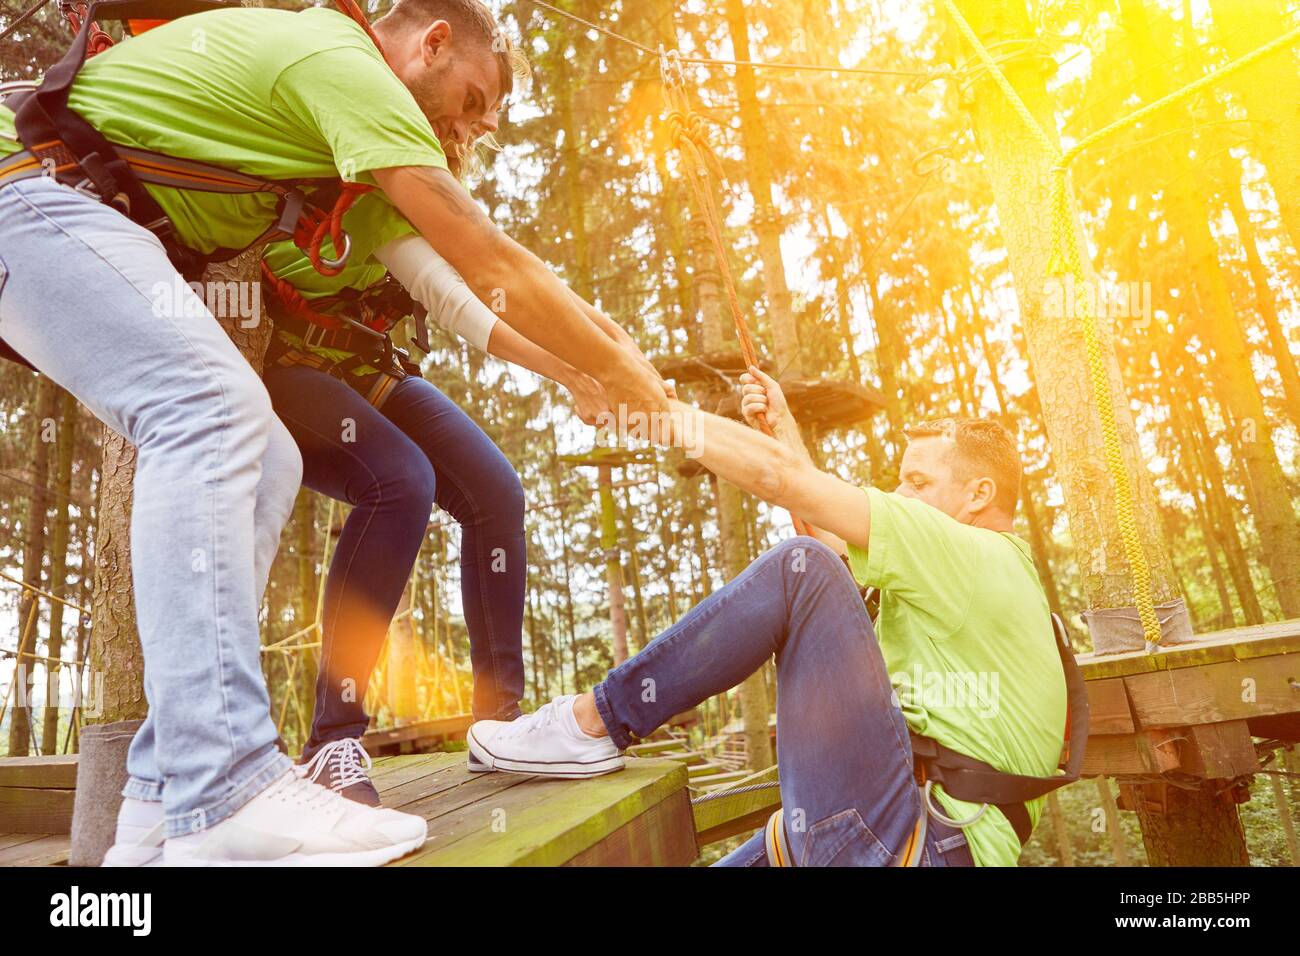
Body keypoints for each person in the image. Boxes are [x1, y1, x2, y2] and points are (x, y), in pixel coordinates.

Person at [0, 0, 666, 867]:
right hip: (32, 187)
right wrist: (626, 378)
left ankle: (159, 804)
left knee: (266, 452)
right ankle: (225, 785)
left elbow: (467, 290)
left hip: (65, 214)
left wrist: (596, 366)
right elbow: (492, 257)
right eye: (471, 99)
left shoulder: (356, 152)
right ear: (430, 42)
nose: (474, 127)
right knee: (211, 412)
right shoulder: (340, 60)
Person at [467, 367, 1068, 866]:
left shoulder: (970, 553)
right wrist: (785, 429)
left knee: (799, 567)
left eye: (917, 481)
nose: (902, 496)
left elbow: (791, 496)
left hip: (915, 838)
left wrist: (661, 415)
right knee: (813, 566)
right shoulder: (992, 577)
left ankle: (592, 724)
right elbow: (834, 539)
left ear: (979, 495)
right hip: (894, 827)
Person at [260, 130, 644, 803]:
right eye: (472, 107)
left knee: (496, 493)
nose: (480, 128)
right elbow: (457, 303)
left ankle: (500, 726)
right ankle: (331, 738)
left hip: (366, 368)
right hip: (287, 367)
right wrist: (570, 372)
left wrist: (608, 344)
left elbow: (520, 285)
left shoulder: (442, 203)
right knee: (400, 481)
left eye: (493, 118)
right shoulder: (381, 179)